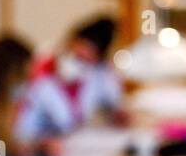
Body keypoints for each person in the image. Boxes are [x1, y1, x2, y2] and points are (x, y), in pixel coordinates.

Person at [14, 15, 125, 144]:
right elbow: (20, 130)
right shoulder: (39, 74)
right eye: (75, 55)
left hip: (74, 145)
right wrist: (38, 145)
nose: (77, 62)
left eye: (85, 60)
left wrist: (118, 113)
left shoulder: (96, 76)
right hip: (39, 151)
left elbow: (114, 100)